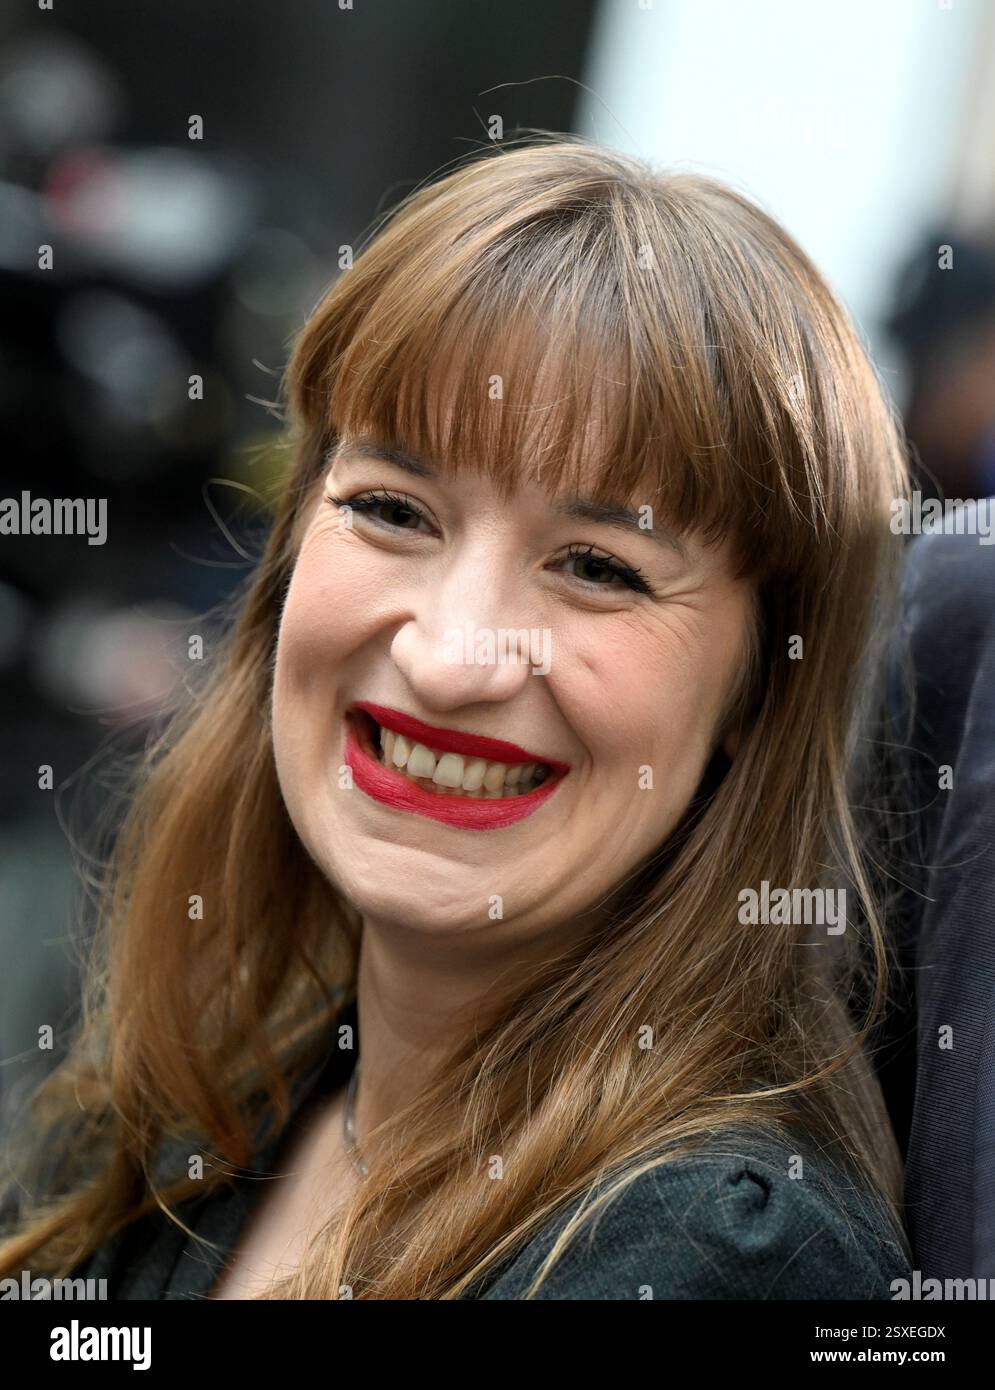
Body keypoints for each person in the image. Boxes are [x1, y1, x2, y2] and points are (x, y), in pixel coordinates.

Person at [0, 133, 914, 1300]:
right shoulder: (206, 1105)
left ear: (759, 686)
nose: (447, 658)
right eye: (393, 509)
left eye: (597, 567)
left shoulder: (718, 1261)